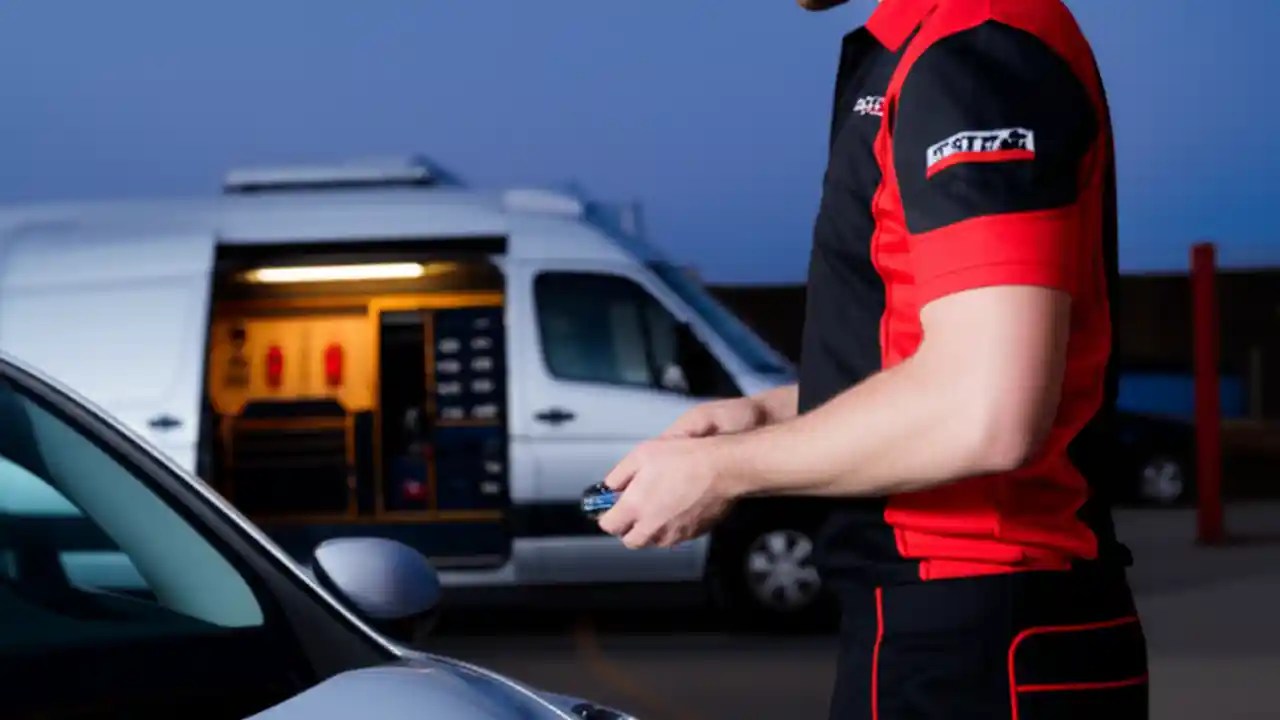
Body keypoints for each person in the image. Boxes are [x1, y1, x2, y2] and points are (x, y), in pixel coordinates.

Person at [596, 0, 1149, 717]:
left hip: (979, 631)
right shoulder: (924, 43)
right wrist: (764, 416)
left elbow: (986, 409)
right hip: (945, 624)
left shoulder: (974, 49)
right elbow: (930, 361)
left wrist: (726, 470)